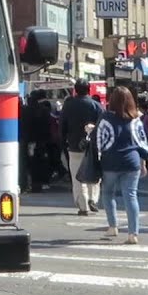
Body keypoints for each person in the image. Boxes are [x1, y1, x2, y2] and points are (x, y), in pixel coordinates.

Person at [94, 86, 148, 244]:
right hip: (132, 162)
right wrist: (143, 163)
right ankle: (133, 233)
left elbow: (99, 142)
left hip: (110, 162)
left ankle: (113, 226)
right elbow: (142, 142)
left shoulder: (105, 118)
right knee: (131, 196)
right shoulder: (135, 119)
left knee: (107, 193)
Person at [60, 79, 103, 215]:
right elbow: (102, 126)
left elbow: (62, 126)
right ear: (89, 89)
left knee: (77, 177)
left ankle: (83, 204)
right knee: (94, 173)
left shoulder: (68, 106)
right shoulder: (97, 106)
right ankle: (93, 199)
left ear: (75, 90)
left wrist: (63, 142)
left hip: (74, 146)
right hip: (93, 147)